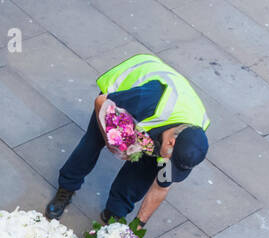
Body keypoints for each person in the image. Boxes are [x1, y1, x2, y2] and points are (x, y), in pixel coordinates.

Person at [45, 53, 209, 227]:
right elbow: (101, 102)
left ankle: (115, 211)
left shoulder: (192, 141)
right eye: (171, 161)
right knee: (92, 143)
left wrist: (137, 226)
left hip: (155, 127)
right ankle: (67, 187)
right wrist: (109, 140)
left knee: (144, 170)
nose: (168, 166)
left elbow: (162, 187)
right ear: (171, 143)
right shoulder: (151, 99)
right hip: (119, 101)